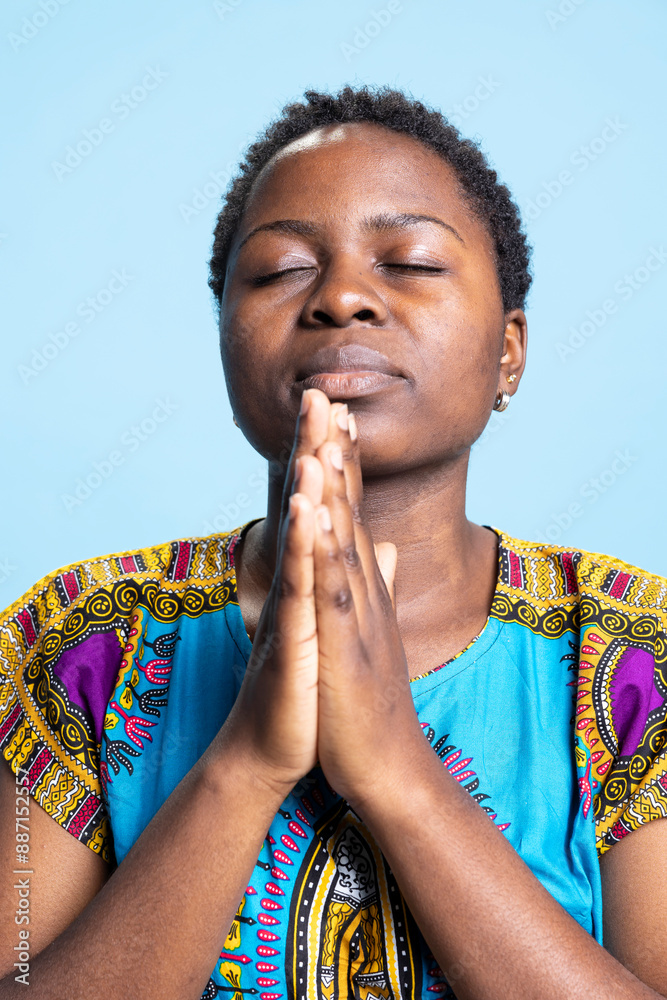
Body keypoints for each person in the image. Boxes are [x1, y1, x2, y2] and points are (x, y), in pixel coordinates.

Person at [1, 84, 666, 1000]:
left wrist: (397, 772)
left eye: (413, 263)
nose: (343, 297)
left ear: (509, 350)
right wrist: (246, 761)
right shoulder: (82, 636)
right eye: (279, 271)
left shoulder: (633, 656)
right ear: (224, 338)